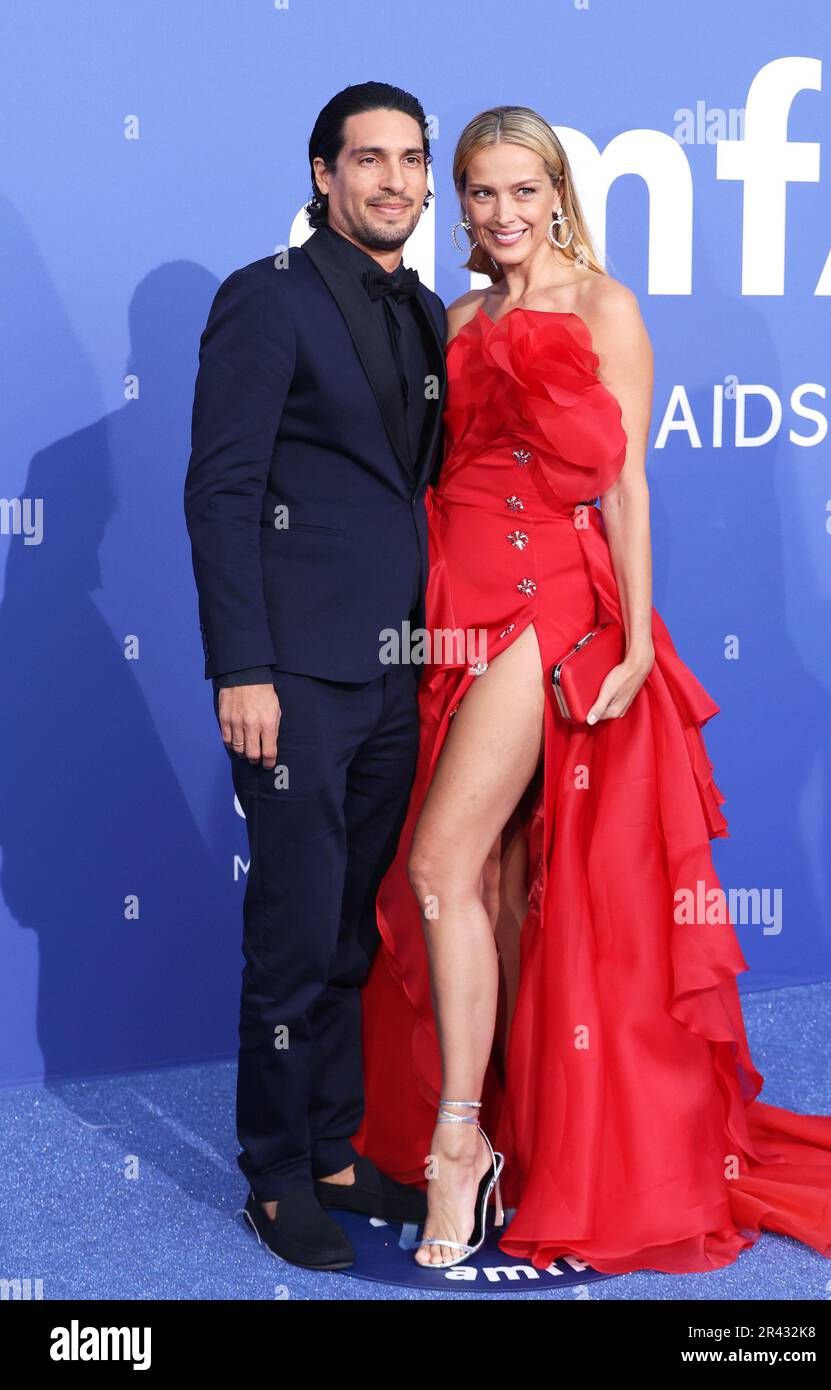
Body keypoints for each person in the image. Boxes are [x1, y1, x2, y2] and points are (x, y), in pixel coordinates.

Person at [354, 105, 831, 1273]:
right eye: (478, 192)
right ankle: (529, 1142)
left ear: (558, 195)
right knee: (496, 878)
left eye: (521, 190)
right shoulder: (459, 316)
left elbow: (627, 484)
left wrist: (634, 637)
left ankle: (457, 1145)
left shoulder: (603, 307)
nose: (499, 213)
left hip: (550, 605)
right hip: (450, 604)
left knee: (438, 863)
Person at [184, 81, 446, 1270]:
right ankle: (276, 1173)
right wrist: (241, 666)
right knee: (292, 931)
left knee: (355, 926)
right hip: (290, 676)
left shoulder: (428, 310)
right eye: (367, 160)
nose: (391, 180)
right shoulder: (265, 300)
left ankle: (336, 1146)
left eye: (409, 160)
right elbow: (222, 490)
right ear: (322, 174)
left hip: (395, 668)